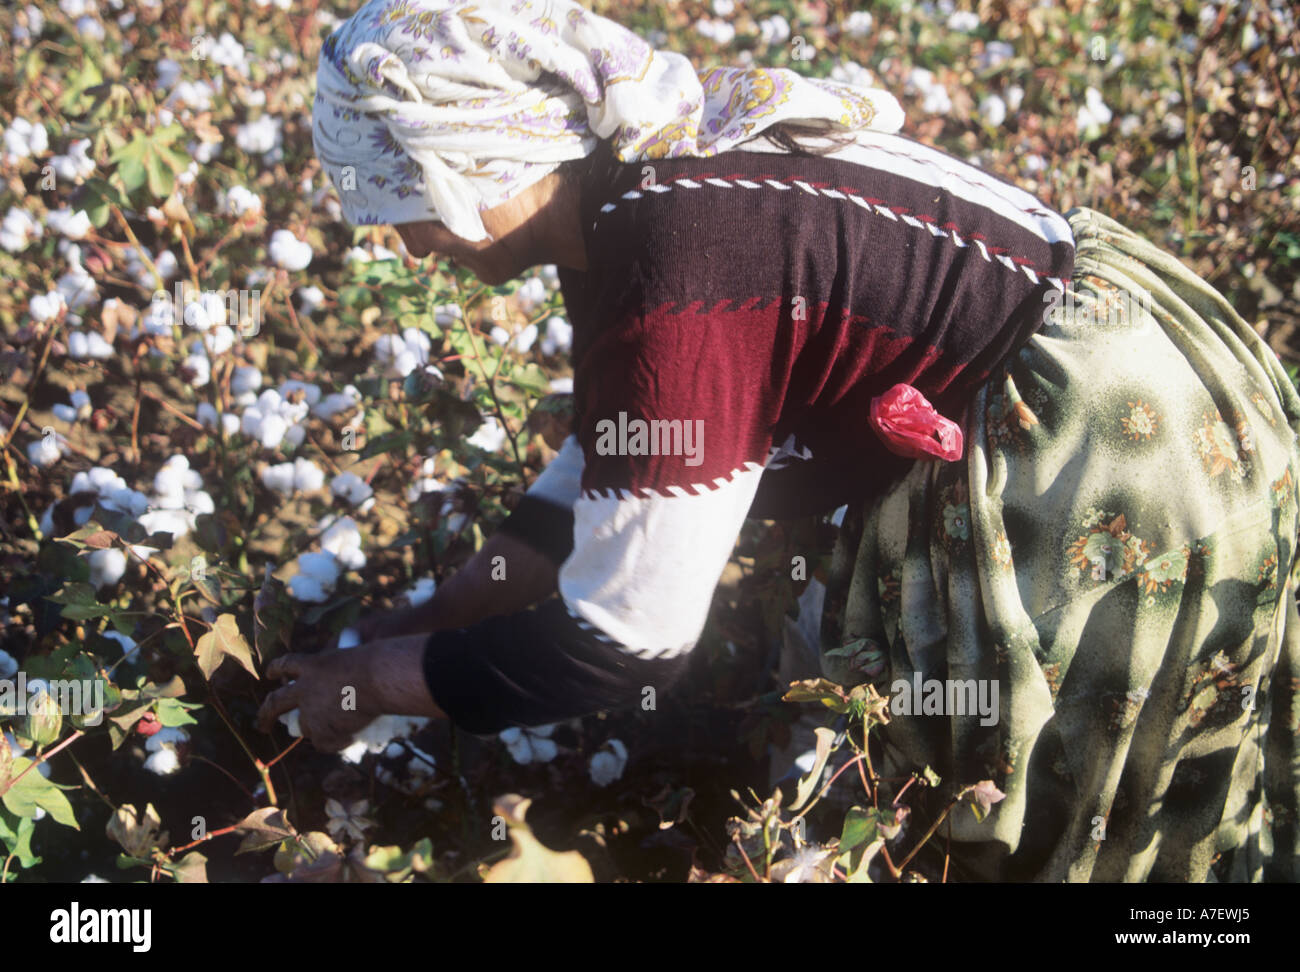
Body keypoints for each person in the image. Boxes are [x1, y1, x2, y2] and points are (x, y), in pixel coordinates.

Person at [256, 0, 1300, 882]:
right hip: (1131, 359)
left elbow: (622, 640)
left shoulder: (677, 257)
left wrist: (381, 682)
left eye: (399, 206)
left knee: (1071, 803)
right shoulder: (638, 179)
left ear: (472, 164)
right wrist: (441, 611)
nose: (406, 245)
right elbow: (617, 449)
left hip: (1097, 454)